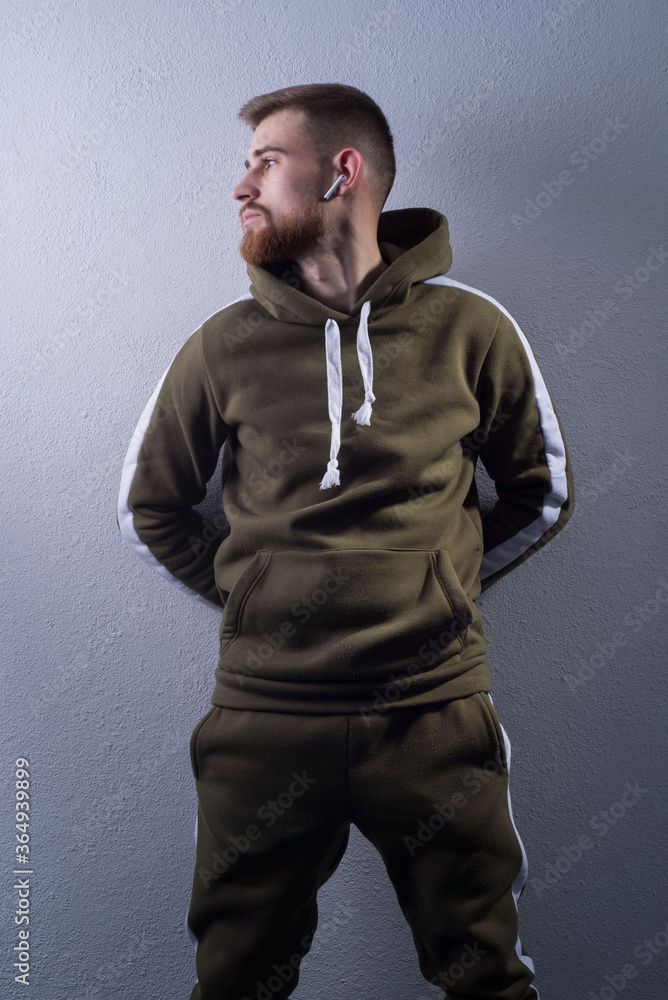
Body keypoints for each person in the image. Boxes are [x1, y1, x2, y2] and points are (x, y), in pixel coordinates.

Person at [117, 83, 574, 1000]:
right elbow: (150, 508)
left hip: (434, 715)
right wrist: (259, 596)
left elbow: (542, 490)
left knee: (487, 973)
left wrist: (439, 589)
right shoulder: (223, 346)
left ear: (342, 172)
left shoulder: (470, 330)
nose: (240, 187)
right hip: (264, 723)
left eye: (265, 162)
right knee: (237, 977)